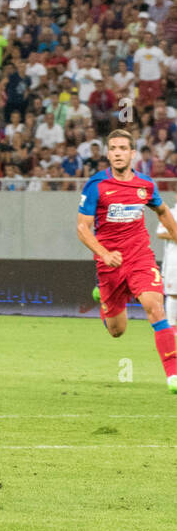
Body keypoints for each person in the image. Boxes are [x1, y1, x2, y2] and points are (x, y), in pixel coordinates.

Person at [77, 130, 177, 392]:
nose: (118, 153)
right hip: (109, 262)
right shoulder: (96, 185)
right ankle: (105, 300)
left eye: (123, 148)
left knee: (154, 305)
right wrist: (104, 254)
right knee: (117, 331)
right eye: (113, 148)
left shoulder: (145, 185)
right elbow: (82, 229)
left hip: (140, 256)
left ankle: (173, 374)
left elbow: (162, 210)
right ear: (108, 153)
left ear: (133, 153)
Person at [160, 198, 177, 326]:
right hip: (174, 260)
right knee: (173, 293)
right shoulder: (170, 213)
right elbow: (160, 233)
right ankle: (171, 326)